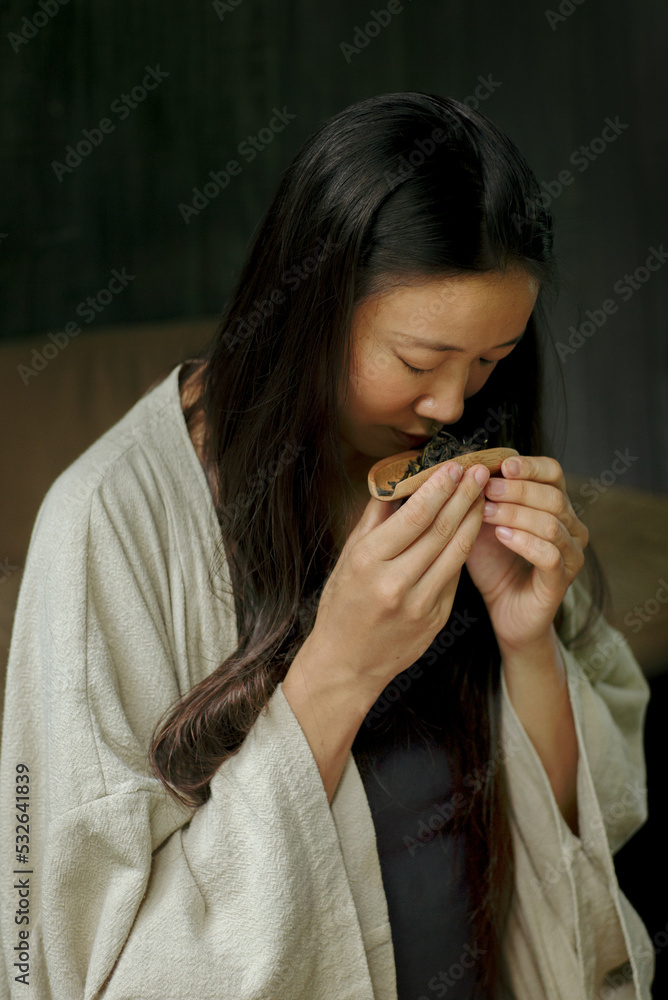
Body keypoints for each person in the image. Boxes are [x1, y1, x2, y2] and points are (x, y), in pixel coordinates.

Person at [0, 93, 654, 999]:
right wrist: (339, 668)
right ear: (307, 305)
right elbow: (64, 958)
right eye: (420, 363)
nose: (454, 406)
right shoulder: (108, 520)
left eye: (490, 359)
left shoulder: (466, 457)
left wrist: (527, 637)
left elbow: (593, 829)